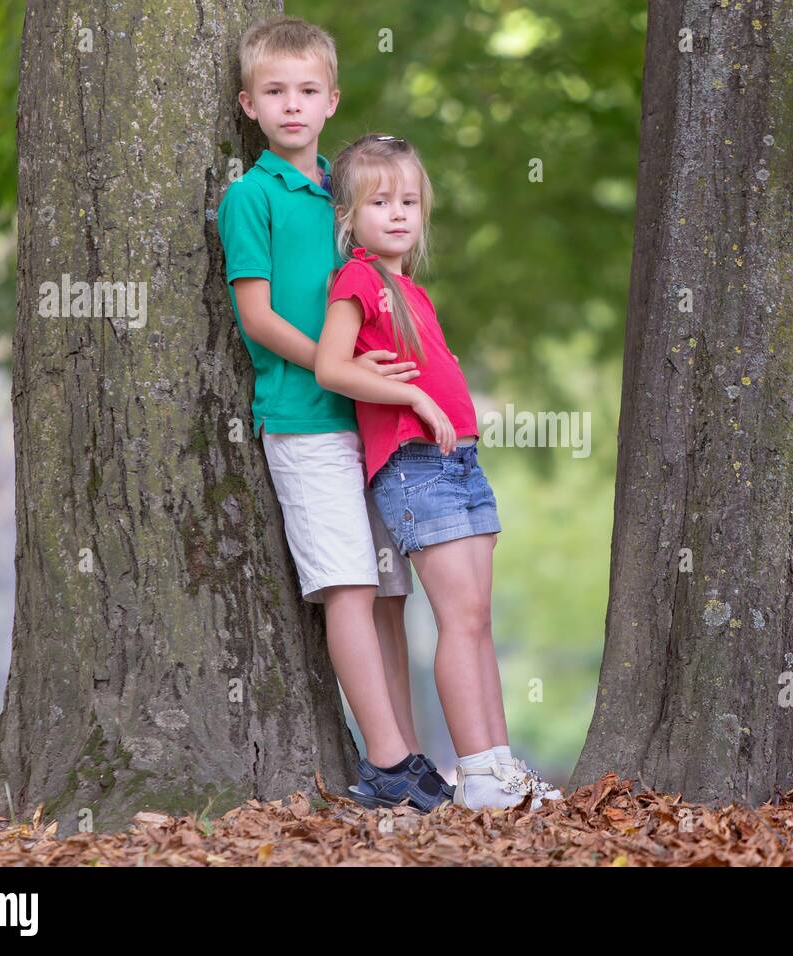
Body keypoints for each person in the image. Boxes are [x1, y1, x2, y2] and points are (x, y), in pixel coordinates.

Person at [216, 18, 452, 811]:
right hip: (306, 420)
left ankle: (413, 752)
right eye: (275, 92)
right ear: (248, 105)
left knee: (391, 590)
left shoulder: (345, 189)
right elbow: (257, 318)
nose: (292, 106)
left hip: (373, 426)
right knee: (347, 586)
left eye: (307, 92)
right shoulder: (251, 197)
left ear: (331, 101)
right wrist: (334, 361)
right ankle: (386, 765)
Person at [314, 133, 564, 810]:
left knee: (476, 617)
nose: (397, 213)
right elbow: (331, 366)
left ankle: (500, 767)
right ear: (350, 217)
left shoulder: (411, 289)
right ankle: (477, 773)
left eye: (410, 201)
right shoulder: (358, 280)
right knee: (459, 618)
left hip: (457, 461)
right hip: (414, 465)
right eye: (380, 202)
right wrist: (415, 397)